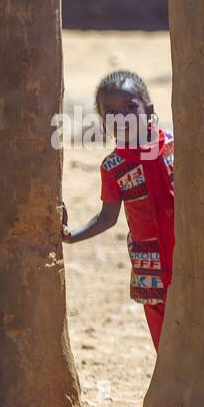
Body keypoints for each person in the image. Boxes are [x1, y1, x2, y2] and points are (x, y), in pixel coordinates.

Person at [61, 70, 174, 349]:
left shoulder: (174, 146)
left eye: (129, 108)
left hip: (189, 252)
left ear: (148, 111)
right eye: (110, 111)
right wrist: (71, 236)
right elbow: (107, 218)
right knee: (164, 336)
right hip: (151, 262)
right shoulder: (113, 167)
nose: (121, 117)